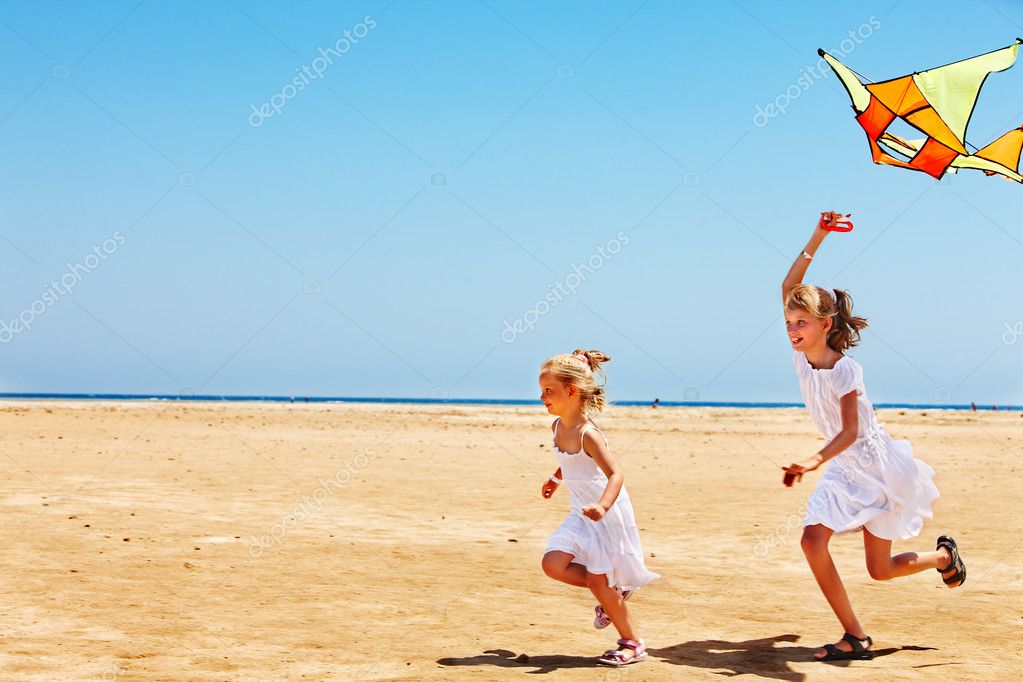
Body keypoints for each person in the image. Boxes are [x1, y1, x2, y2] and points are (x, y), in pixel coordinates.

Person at [780, 212, 966, 662]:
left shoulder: (846, 370)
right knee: (811, 540)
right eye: (789, 322)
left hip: (878, 468)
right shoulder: (803, 359)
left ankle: (944, 559)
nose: (792, 329)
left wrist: (812, 460)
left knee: (879, 571)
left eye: (801, 322)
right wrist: (819, 235)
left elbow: (852, 430)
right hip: (845, 470)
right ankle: (856, 637)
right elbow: (788, 288)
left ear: (825, 324)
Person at [538, 349, 659, 666]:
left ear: (572, 391)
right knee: (553, 564)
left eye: (548, 391)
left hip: (606, 515)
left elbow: (616, 474)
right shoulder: (557, 427)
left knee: (597, 581)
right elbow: (571, 462)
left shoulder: (588, 433)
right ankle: (614, 589)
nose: (542, 397)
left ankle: (632, 643)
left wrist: (603, 507)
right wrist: (555, 477)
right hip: (581, 512)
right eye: (541, 391)